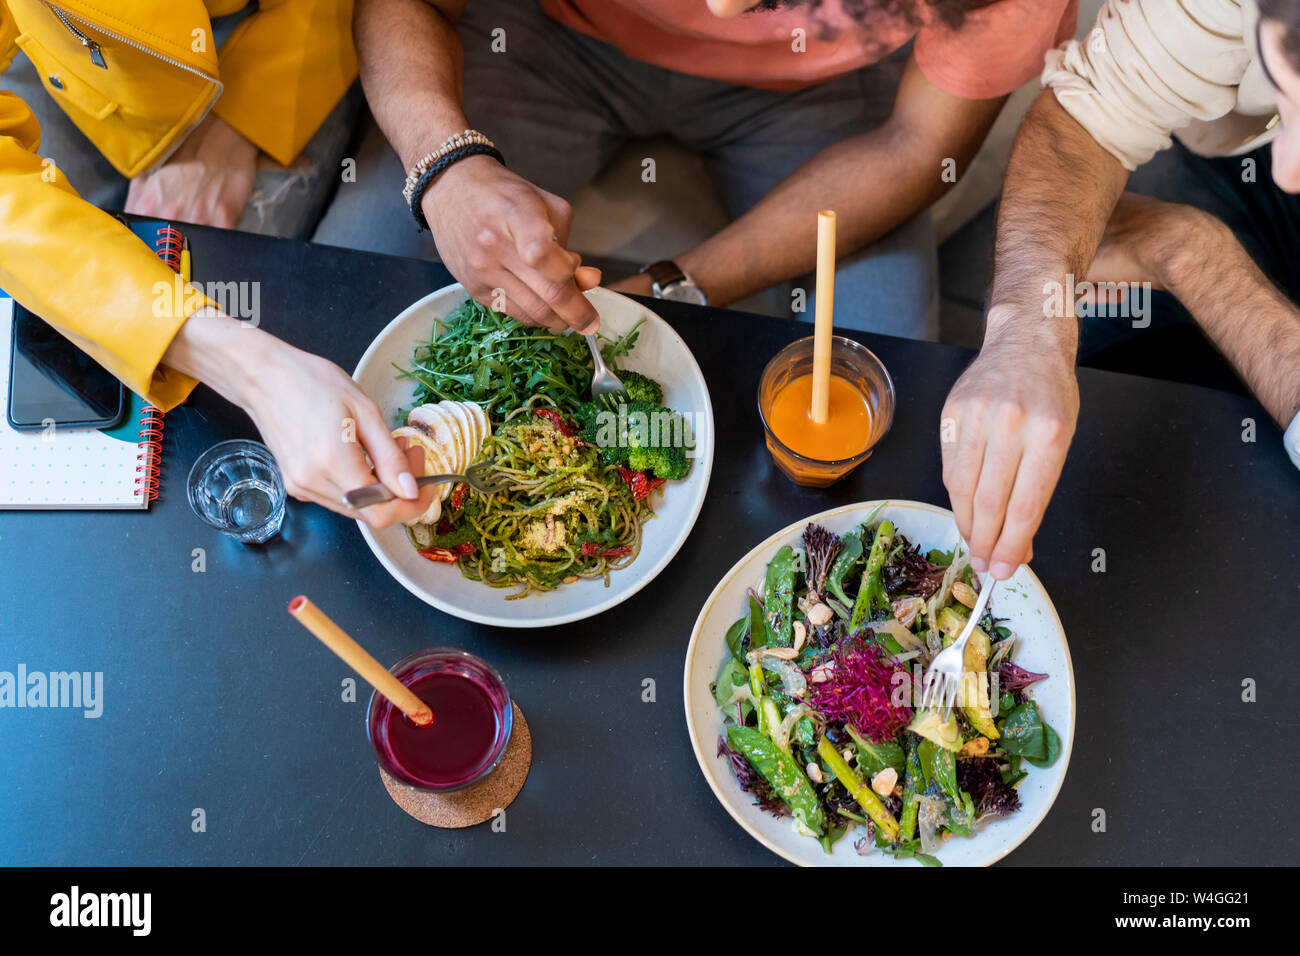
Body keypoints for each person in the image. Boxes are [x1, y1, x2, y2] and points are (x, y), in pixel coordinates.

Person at [323, 0, 1079, 338]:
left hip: (813, 96)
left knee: (890, 375)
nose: (723, 8)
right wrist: (447, 167)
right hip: (540, 39)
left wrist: (678, 284)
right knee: (341, 295)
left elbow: (919, 149)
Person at [0, 1, 436, 526]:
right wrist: (251, 368)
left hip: (297, 24)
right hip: (84, 51)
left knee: (268, 283)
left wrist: (244, 118)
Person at [941, 0, 1300, 582]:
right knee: (976, 304)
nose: (1288, 166)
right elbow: (1088, 115)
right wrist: (1025, 328)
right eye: (1288, 88)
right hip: (1233, 160)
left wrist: (1190, 254)